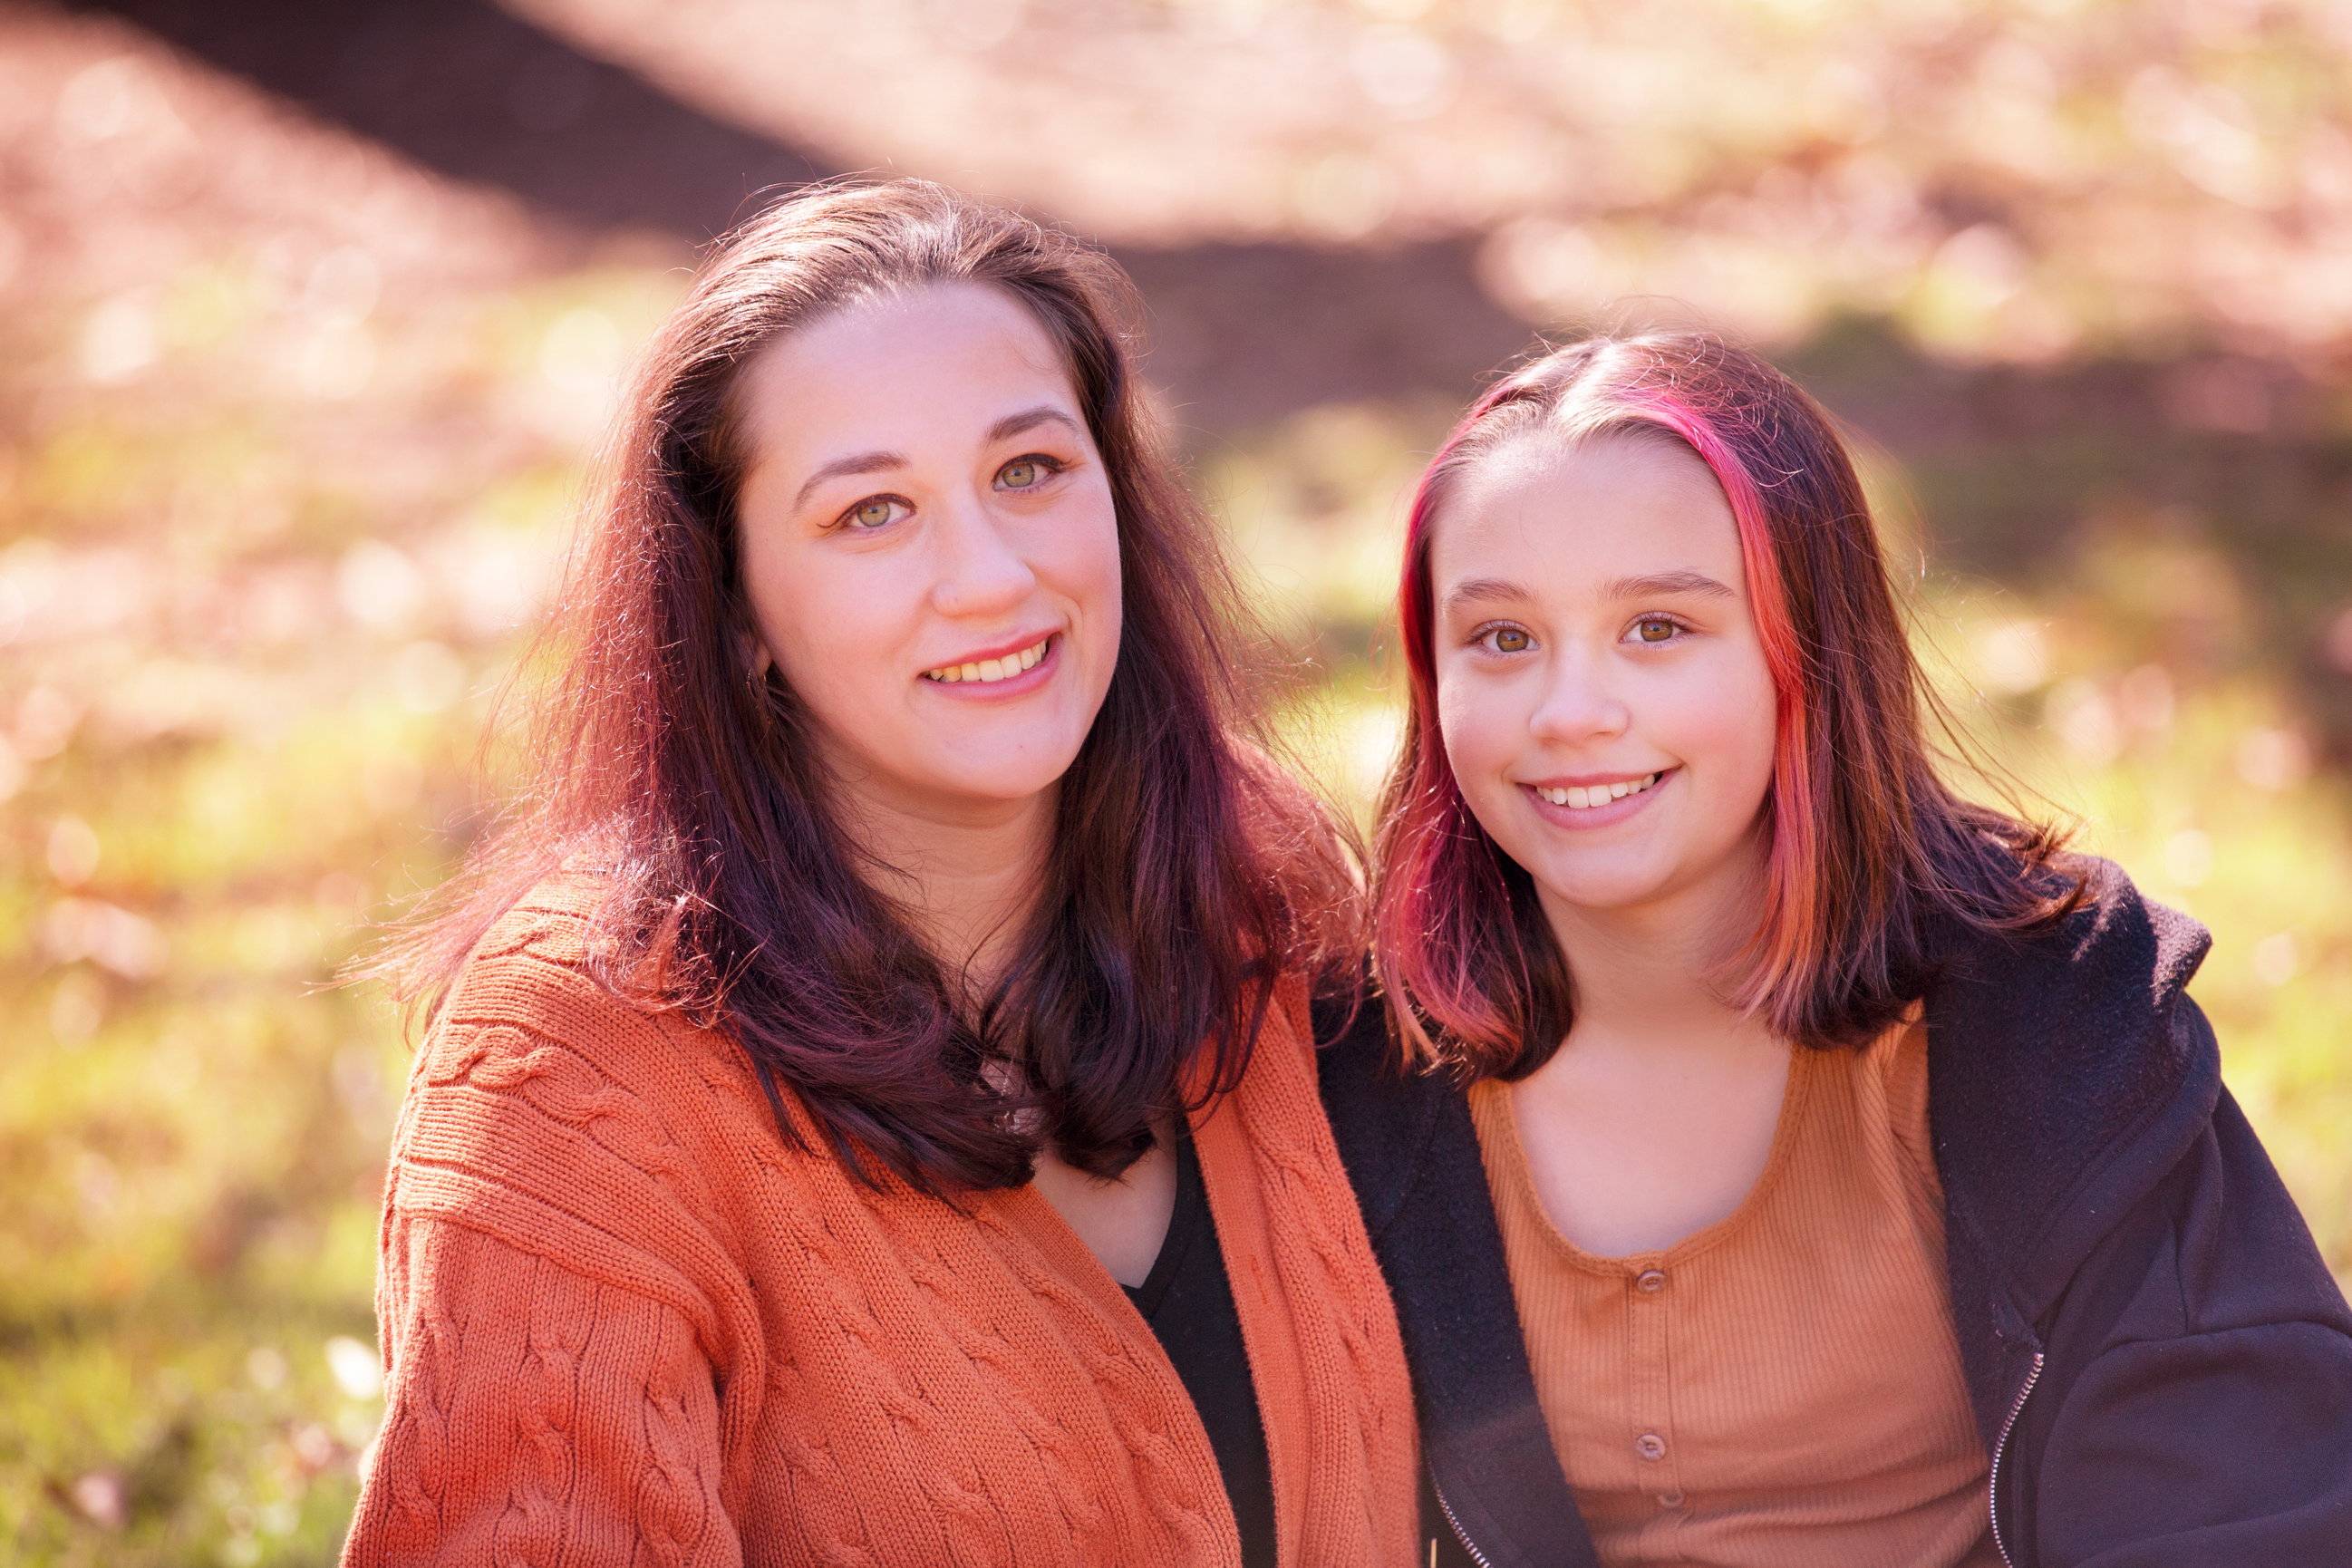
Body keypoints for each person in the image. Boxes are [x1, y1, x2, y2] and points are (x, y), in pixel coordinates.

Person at [344, 180, 1418, 1567]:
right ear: (738, 617)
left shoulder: (1249, 886)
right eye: (871, 513)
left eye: (1030, 470)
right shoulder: (579, 1071)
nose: (988, 577)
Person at [1314, 332, 2352, 1567]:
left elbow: (2248, 1504)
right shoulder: (1357, 1064)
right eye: (1501, 638)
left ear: (1807, 652)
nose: (1570, 712)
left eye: (1657, 626)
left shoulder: (2054, 1021)